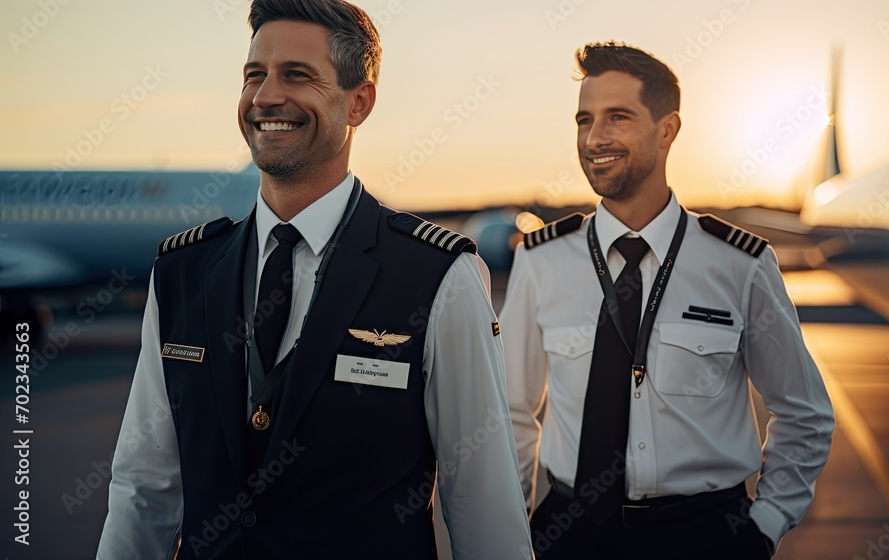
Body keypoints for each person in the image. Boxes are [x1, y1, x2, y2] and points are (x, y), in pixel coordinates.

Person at [96, 1, 531, 558]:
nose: (265, 96)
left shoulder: (439, 276)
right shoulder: (182, 273)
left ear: (359, 102)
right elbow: (144, 487)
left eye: (297, 75)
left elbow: (483, 503)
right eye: (255, 75)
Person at [500, 41, 835, 559]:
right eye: (584, 120)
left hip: (706, 536)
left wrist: (763, 528)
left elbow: (804, 413)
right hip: (570, 533)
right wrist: (512, 537)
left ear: (667, 130)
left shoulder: (739, 263)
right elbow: (511, 414)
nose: (594, 138)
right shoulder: (541, 260)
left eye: (617, 117)